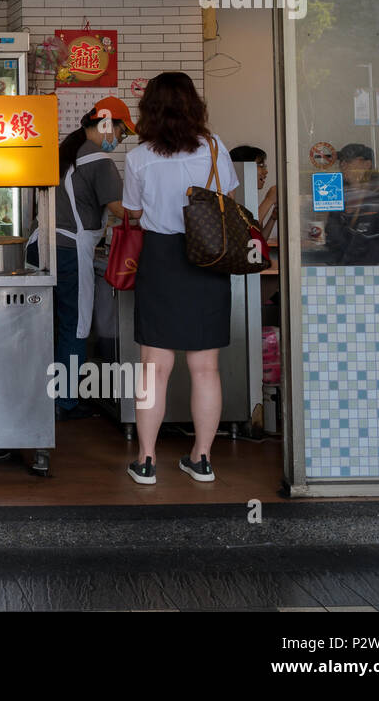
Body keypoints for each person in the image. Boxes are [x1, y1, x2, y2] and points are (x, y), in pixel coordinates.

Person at [121, 72, 240, 486]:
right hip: (207, 256)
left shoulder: (139, 158)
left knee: (154, 367)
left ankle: (146, 461)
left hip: (161, 257)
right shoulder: (214, 147)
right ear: (194, 106)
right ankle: (202, 459)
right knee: (205, 367)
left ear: (149, 109)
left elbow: (133, 211)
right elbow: (228, 201)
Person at [36, 96, 135, 420]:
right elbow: (121, 209)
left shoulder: (67, 152)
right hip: (70, 250)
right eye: (120, 132)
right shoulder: (99, 160)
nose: (119, 139)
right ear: (106, 124)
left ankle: (44, 398)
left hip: (42, 246)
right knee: (76, 326)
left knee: (50, 324)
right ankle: (65, 402)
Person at [324, 143, 379, 265]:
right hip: (346, 266)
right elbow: (333, 234)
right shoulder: (338, 192)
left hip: (377, 267)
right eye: (341, 161)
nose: (343, 165)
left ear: (367, 164)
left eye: (348, 161)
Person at [229, 145, 277, 241]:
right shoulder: (230, 198)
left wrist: (272, 218)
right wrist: (269, 200)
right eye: (261, 165)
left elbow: (258, 241)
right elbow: (246, 232)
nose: (266, 171)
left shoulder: (250, 199)